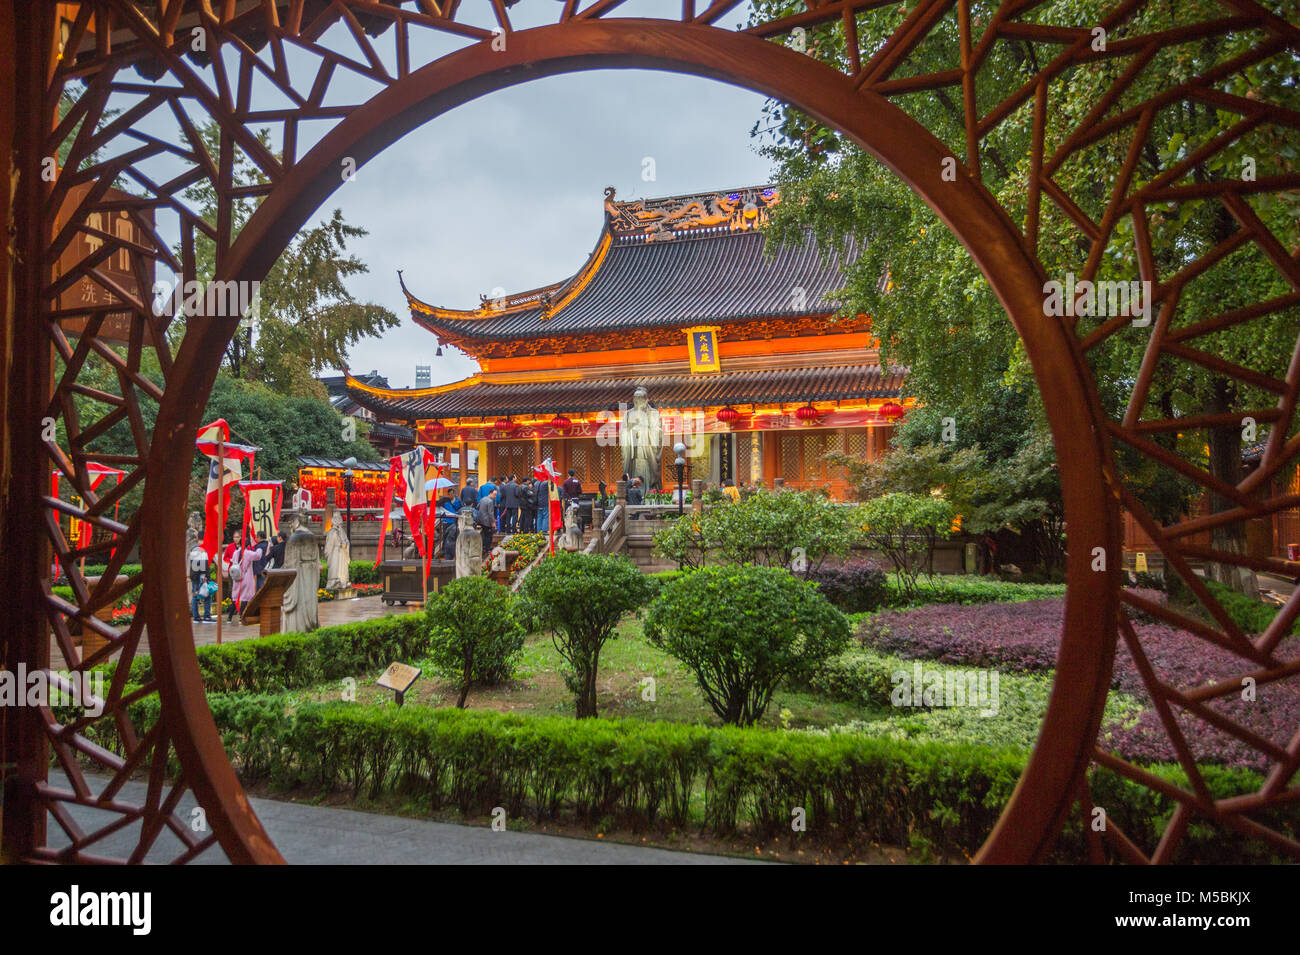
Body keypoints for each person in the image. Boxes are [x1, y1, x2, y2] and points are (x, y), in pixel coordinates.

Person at [476, 486, 498, 555]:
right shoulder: (490, 501)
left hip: (480, 519)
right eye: (494, 494)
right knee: (488, 535)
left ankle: (483, 548)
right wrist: (493, 523)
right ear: (490, 493)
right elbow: (490, 513)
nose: (495, 496)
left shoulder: (483, 499)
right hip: (486, 521)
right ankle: (487, 549)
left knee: (483, 534)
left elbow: (477, 507)